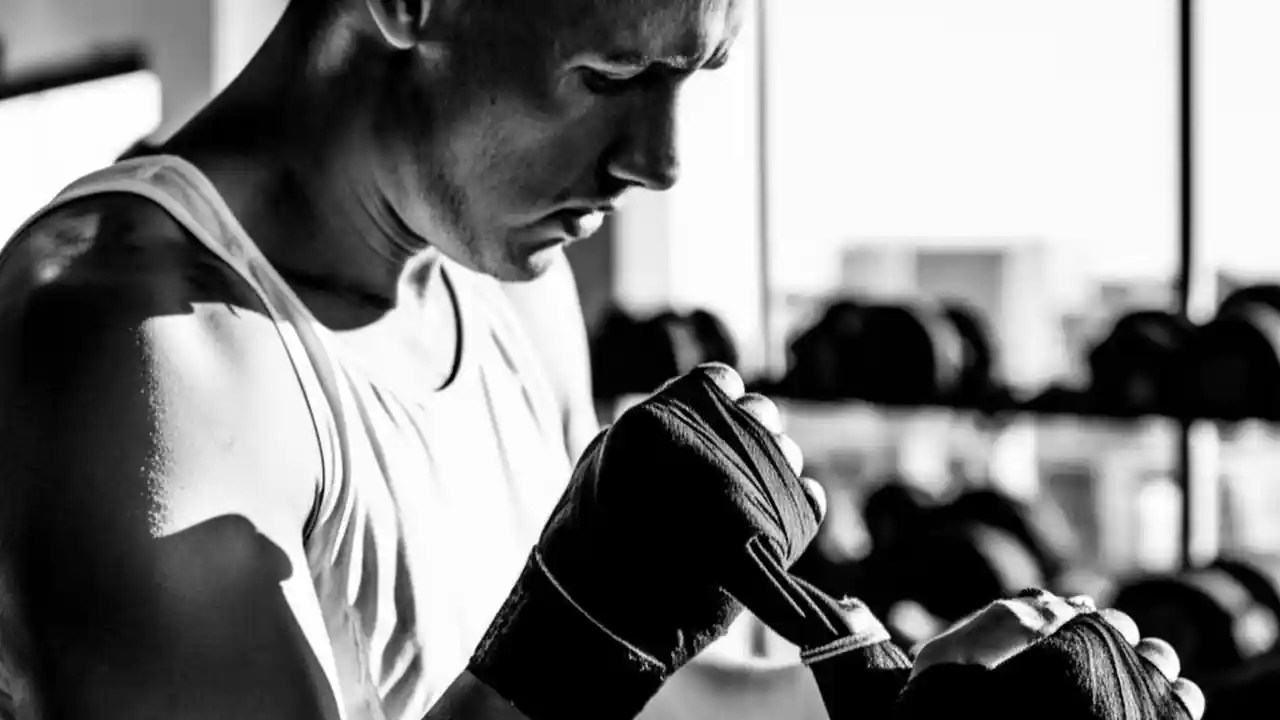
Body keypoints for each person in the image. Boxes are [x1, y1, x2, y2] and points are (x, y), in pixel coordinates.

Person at [0, 1, 1198, 719]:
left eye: (693, 73)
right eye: (612, 75)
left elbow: (618, 704)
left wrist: (903, 697)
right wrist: (568, 645)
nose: (661, 160)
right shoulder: (132, 351)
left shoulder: (506, 282)